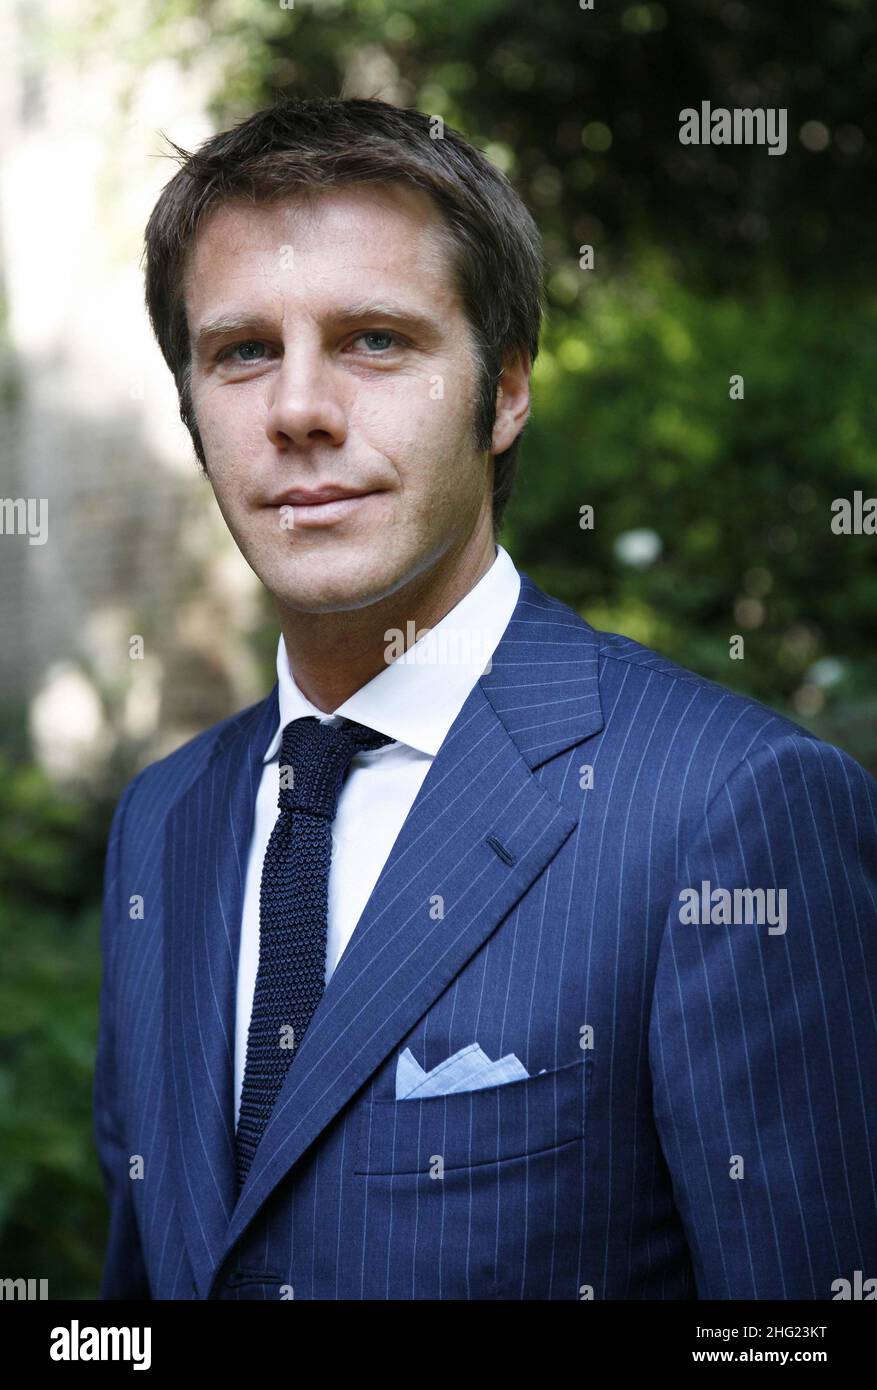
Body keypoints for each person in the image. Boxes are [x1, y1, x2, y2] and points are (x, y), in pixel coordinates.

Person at [94, 95, 877, 1301]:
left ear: (504, 392)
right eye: (242, 350)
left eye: (374, 341)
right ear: (193, 406)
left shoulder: (726, 805)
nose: (298, 409)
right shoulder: (163, 817)